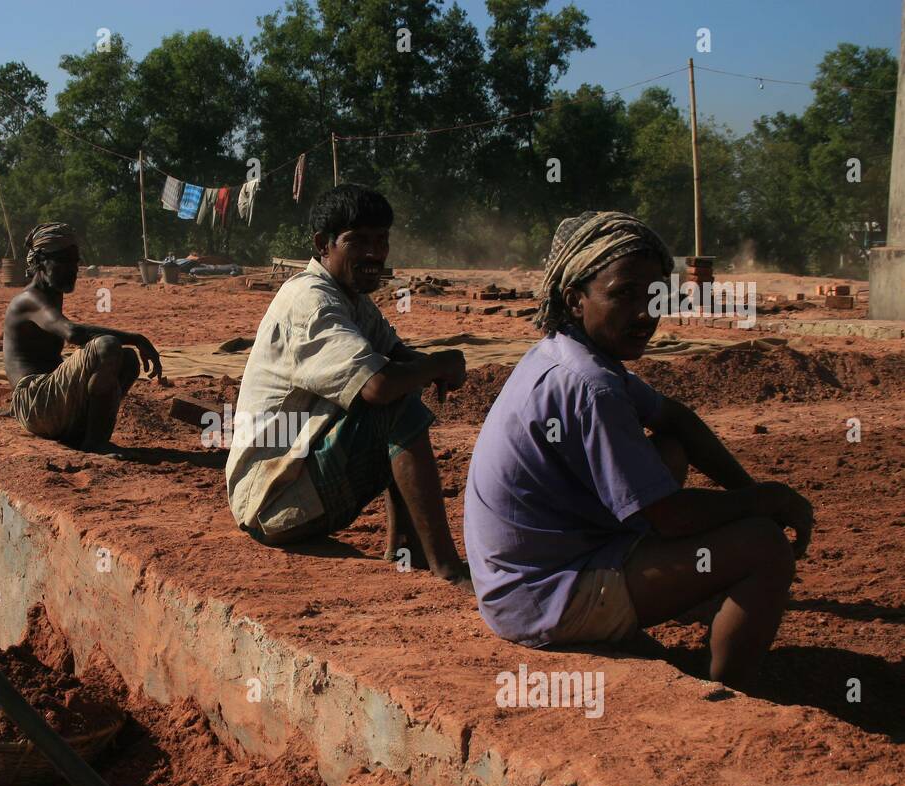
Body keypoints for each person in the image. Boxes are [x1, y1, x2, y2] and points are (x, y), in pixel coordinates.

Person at [463, 211, 814, 688]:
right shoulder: (591, 386)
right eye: (624, 294)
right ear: (575, 298)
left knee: (668, 449)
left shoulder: (568, 352)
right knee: (764, 548)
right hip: (540, 599)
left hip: (533, 571)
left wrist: (747, 491)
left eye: (654, 294)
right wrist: (766, 502)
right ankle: (731, 690)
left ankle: (688, 598)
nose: (646, 312)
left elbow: (677, 420)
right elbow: (671, 517)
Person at [226, 184, 471, 586]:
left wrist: (435, 365)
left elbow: (397, 356)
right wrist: (438, 364)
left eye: (382, 240)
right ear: (324, 244)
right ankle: (446, 568)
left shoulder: (352, 298)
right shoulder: (313, 302)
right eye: (359, 241)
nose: (374, 253)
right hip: (272, 499)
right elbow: (378, 386)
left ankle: (406, 549)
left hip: (294, 478)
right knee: (393, 405)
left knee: (397, 391)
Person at [4, 223, 163, 456]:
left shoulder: (50, 293)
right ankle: (95, 443)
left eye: (75, 261)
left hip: (48, 403)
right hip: (34, 402)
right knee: (107, 346)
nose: (73, 269)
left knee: (127, 359)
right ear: (40, 262)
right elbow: (73, 333)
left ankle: (88, 436)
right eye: (64, 261)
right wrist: (136, 338)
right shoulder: (30, 299)